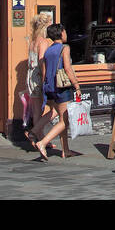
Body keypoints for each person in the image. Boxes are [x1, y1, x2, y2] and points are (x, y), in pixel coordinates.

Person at [34, 24, 82, 161]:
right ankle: (42, 143)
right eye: (65, 31)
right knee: (64, 121)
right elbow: (67, 68)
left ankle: (65, 150)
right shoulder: (64, 48)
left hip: (51, 87)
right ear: (61, 33)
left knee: (62, 118)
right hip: (62, 87)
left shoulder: (49, 50)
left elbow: (44, 70)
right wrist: (77, 86)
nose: (66, 33)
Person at [24, 12, 54, 146]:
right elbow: (42, 61)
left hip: (30, 76)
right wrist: (45, 78)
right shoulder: (43, 42)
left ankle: (39, 138)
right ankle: (38, 135)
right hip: (38, 77)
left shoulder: (32, 42)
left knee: (36, 109)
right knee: (52, 109)